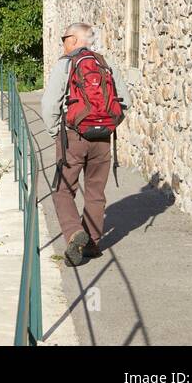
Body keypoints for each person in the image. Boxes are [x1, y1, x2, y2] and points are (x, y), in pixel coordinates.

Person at [41, 22, 122, 266]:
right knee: (96, 192)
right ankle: (92, 244)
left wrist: (56, 132)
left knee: (63, 189)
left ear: (75, 40)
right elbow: (124, 101)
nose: (63, 43)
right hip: (103, 138)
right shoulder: (105, 64)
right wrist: (107, 125)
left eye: (65, 37)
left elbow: (49, 104)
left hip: (73, 136)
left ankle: (74, 233)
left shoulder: (66, 64)